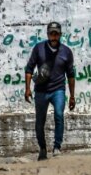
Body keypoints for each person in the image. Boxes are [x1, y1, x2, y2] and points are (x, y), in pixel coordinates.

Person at [24, 21, 76, 161]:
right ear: (47, 34)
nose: (54, 36)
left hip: (58, 89)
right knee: (40, 121)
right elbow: (29, 69)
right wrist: (27, 88)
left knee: (59, 115)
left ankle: (57, 147)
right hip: (41, 91)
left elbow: (71, 75)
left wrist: (72, 96)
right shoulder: (39, 48)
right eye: (51, 33)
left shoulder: (66, 52)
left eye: (56, 33)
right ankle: (42, 148)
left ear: (60, 35)